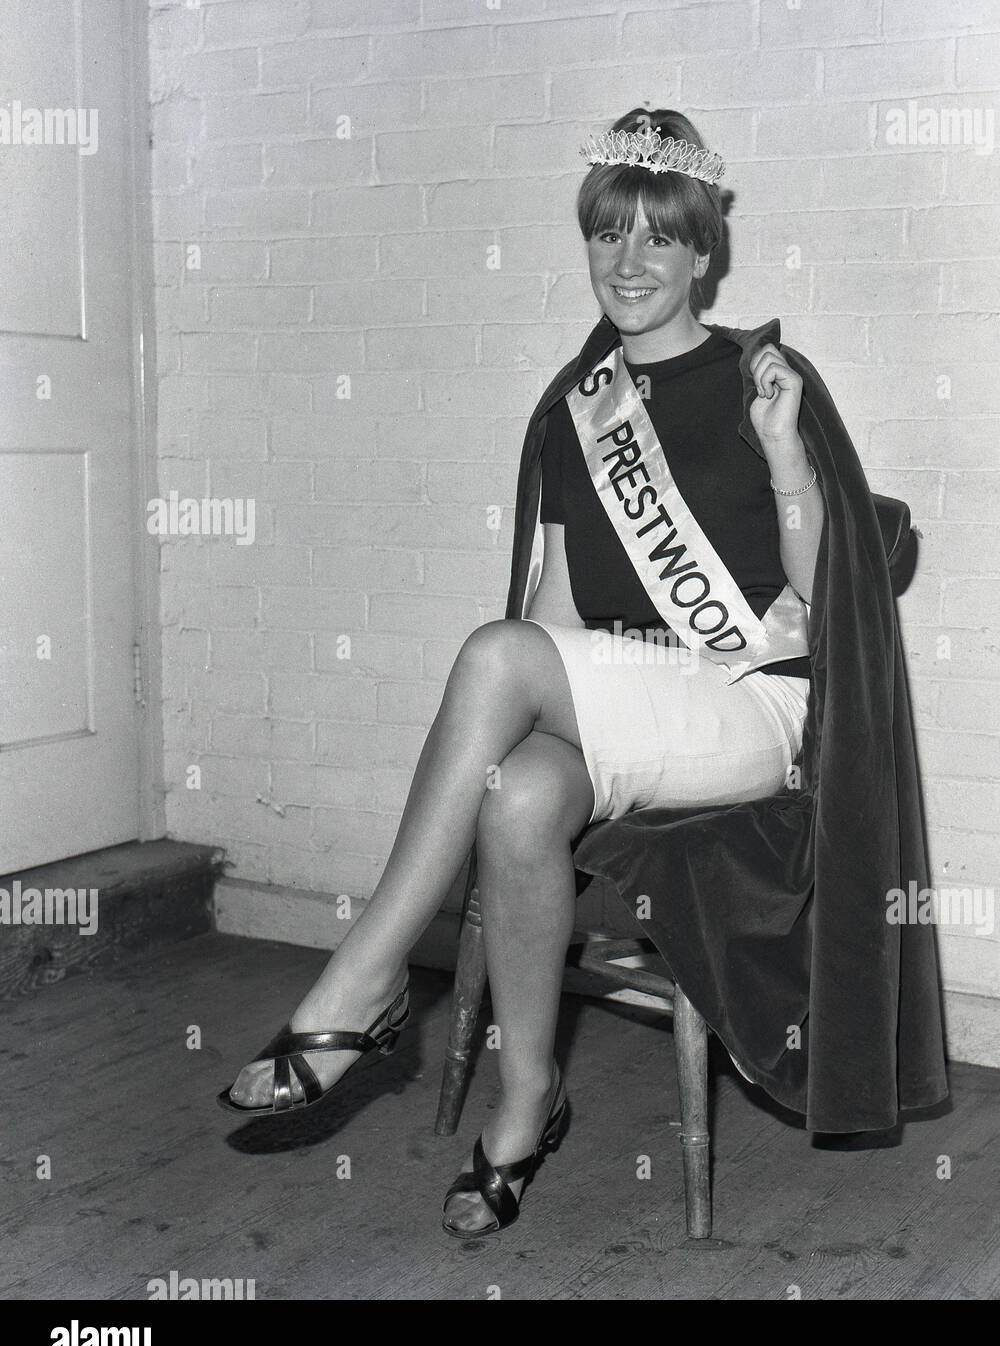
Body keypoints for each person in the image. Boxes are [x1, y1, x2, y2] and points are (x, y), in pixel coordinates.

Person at [218, 108, 828, 1236]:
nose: (629, 263)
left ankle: (363, 978)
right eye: (607, 236)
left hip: (746, 704)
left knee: (495, 655)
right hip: (631, 699)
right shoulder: (574, 410)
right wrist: (516, 722)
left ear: (703, 251)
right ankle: (525, 1102)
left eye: (657, 237)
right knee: (517, 794)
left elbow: (824, 583)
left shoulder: (761, 378)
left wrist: (788, 454)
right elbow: (558, 615)